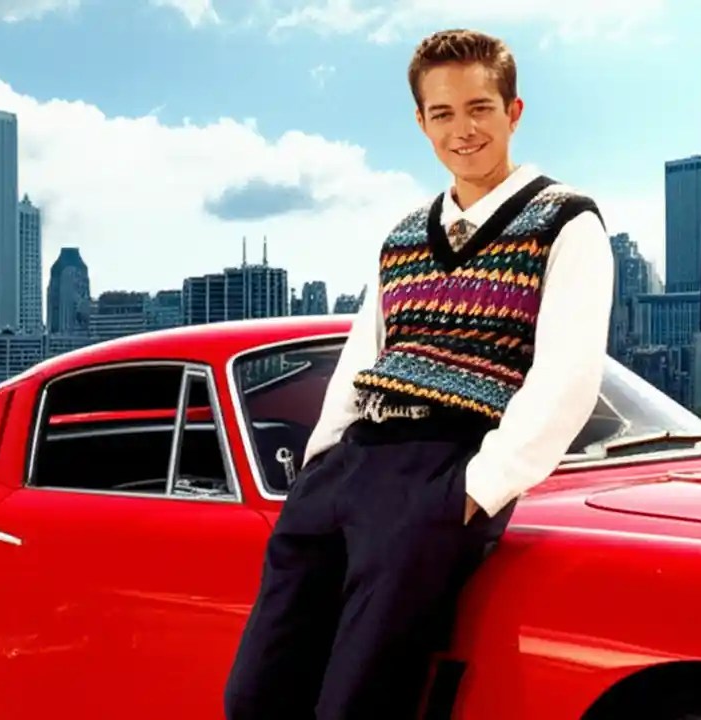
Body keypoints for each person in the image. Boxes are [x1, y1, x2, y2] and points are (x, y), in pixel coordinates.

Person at [224, 27, 614, 720]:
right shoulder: (404, 235)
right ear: (421, 123)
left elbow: (567, 377)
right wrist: (319, 466)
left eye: (479, 108)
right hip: (350, 466)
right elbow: (362, 354)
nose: (463, 130)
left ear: (513, 111)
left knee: (358, 704)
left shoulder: (566, 222)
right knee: (255, 696)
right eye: (443, 113)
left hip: (443, 469)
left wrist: (475, 491)